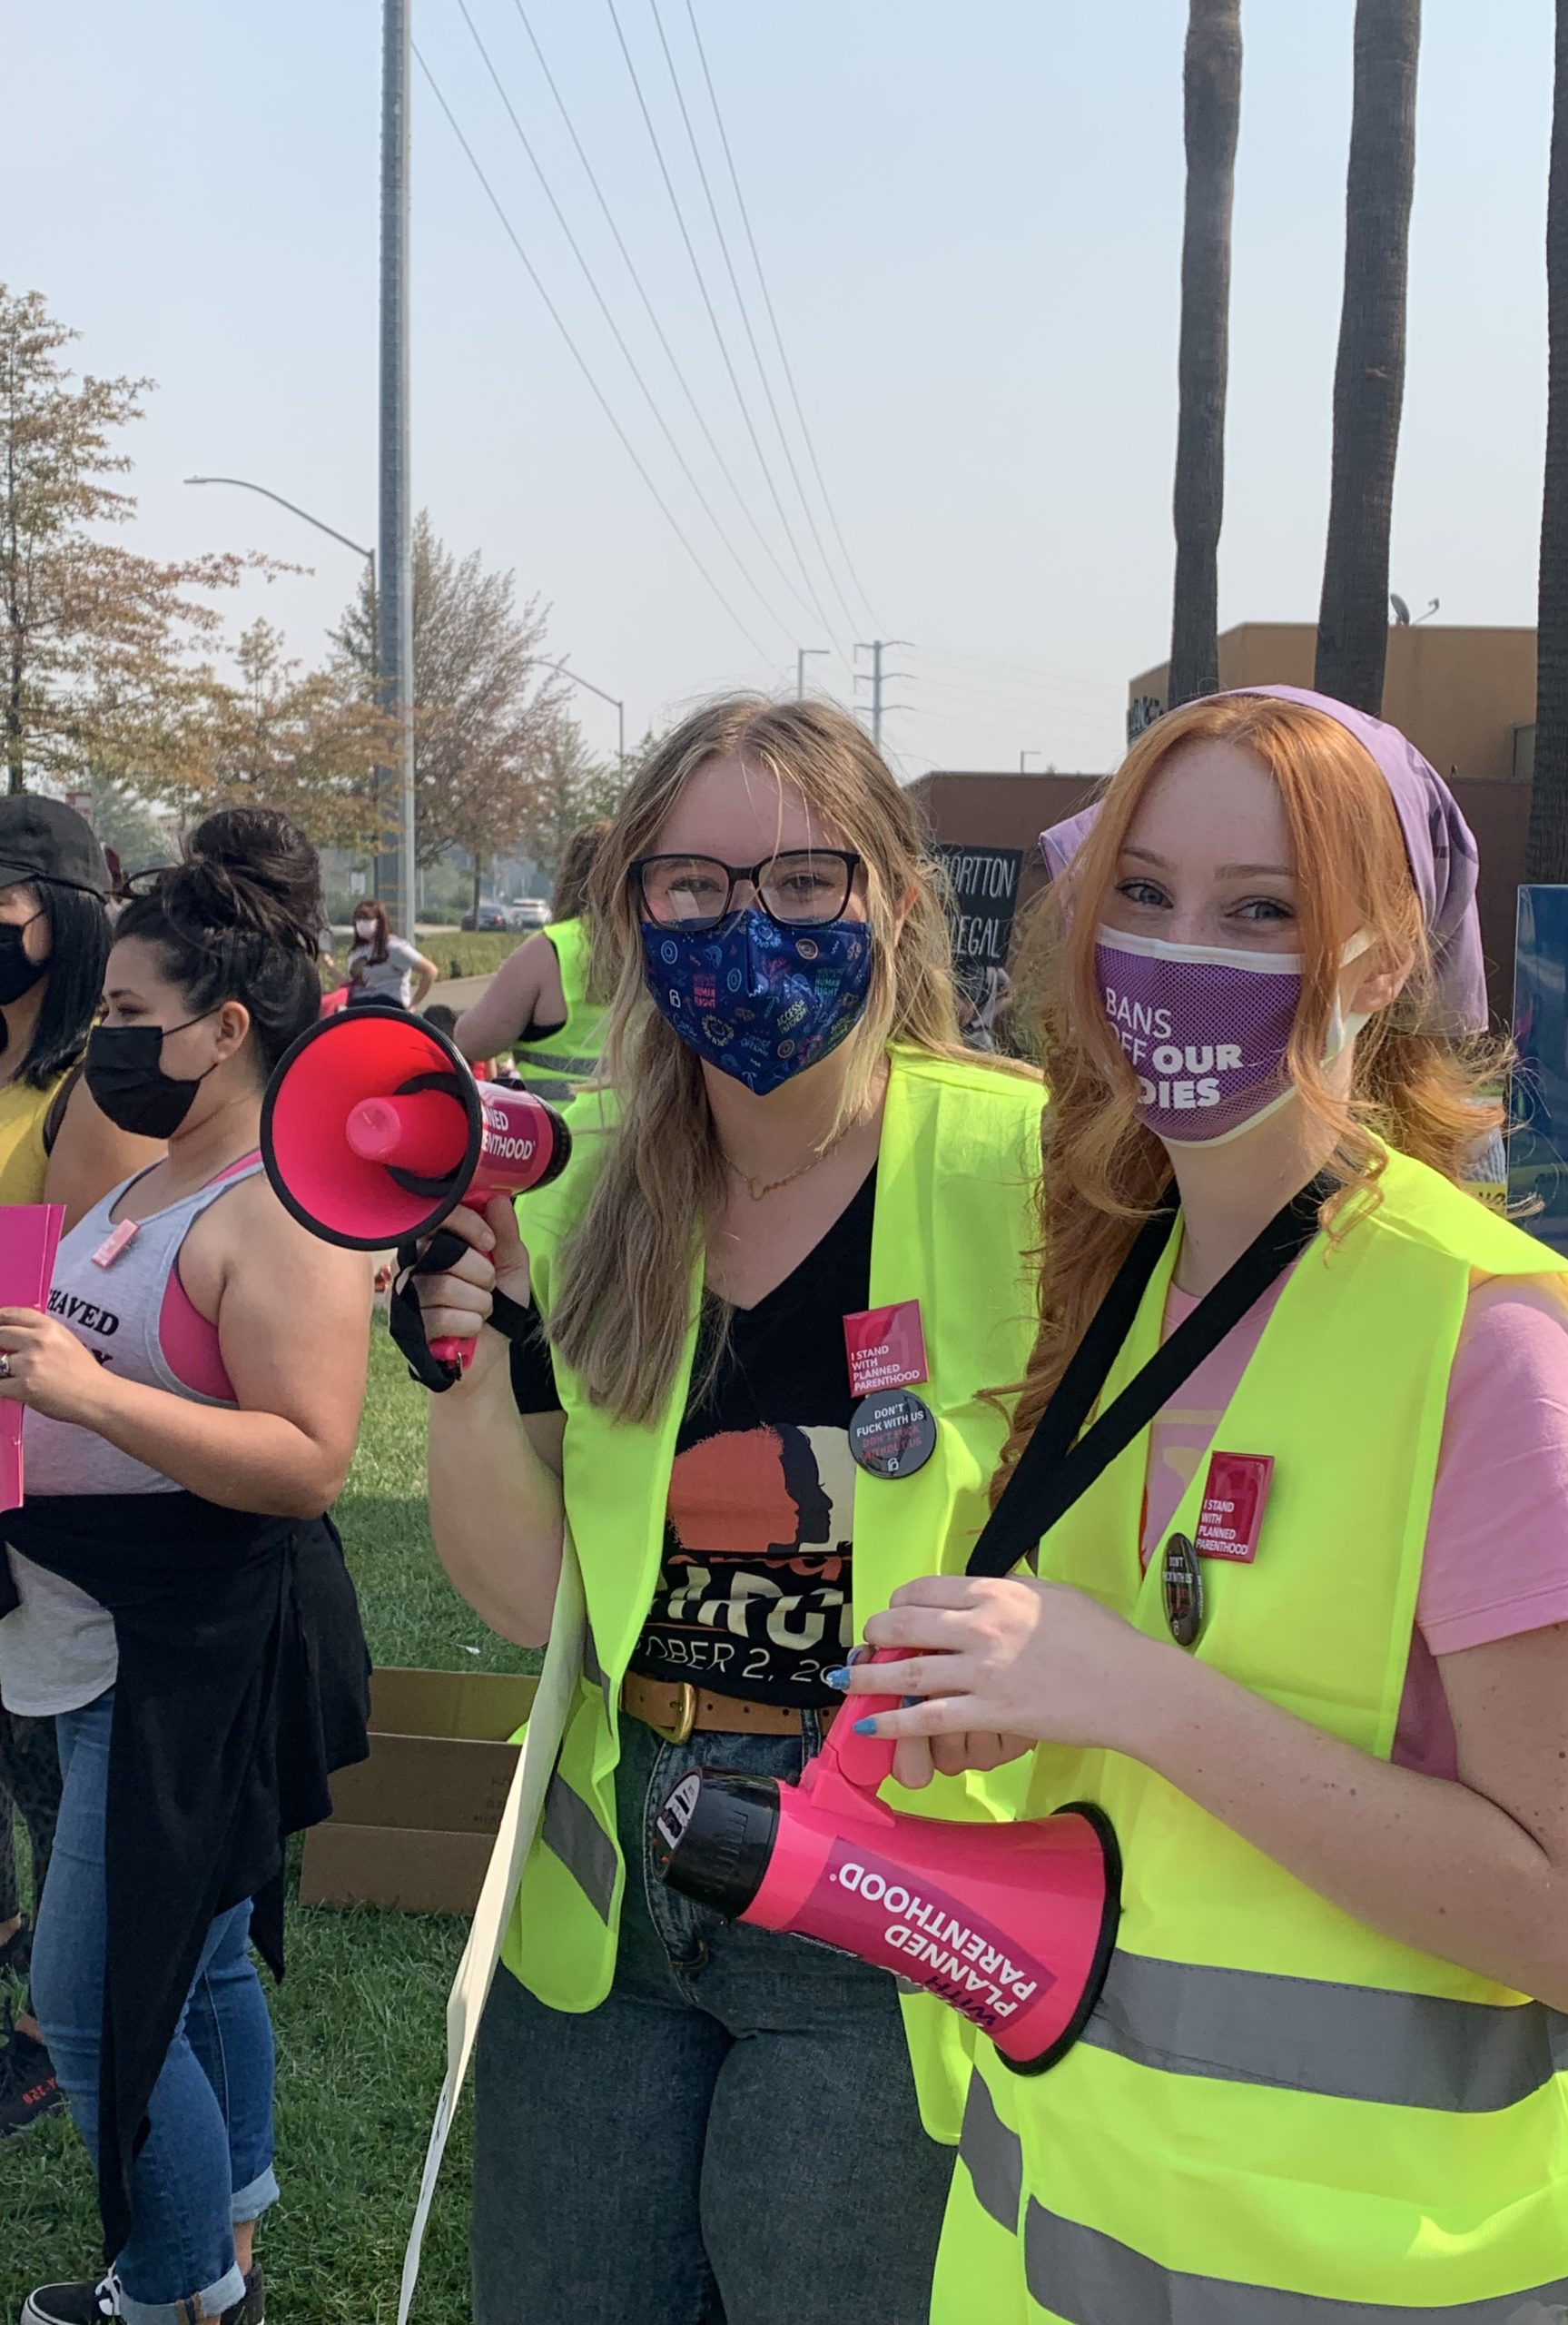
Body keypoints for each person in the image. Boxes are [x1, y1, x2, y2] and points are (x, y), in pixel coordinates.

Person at [840, 686, 1568, 2323]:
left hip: (1371, 2270)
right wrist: (1014, 1705)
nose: (1176, 952)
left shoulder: (1488, 1341)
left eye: (1262, 909)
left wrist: (1132, 1693)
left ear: (1377, 962)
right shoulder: (1124, 1269)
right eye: (1139, 895)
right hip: (1074, 2230)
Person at [413, 698, 1045, 2324]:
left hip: (884, 1887)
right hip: (614, 1894)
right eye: (686, 886)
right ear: (628, 913)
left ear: (896, 903)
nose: (742, 929)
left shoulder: (1037, 1171)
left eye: (802, 881)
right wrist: (466, 1381)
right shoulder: (570, 1179)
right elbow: (522, 1596)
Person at [0, 806, 374, 2325]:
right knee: (203, 1961)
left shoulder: (273, 1212)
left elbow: (310, 1459)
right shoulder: (147, 1176)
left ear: (225, 1032)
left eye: (130, 1020)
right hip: (96, 1644)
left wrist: (82, 1398)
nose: (106, 1043)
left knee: (88, 2010)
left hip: (191, 1667)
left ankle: (177, 2289)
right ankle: (225, 2229)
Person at [0, 797, 161, 2139]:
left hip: (38, 1468)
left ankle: (54, 2027)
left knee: (48, 1747)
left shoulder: (90, 1093)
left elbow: (78, 1294)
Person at [453, 822, 610, 1098]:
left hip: (567, 1134)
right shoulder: (662, 942)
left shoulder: (552, 948)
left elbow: (471, 1041)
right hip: (650, 1136)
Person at [346, 895, 436, 1011]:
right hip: (360, 1006)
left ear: (379, 921)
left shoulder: (394, 947)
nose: (361, 923)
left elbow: (430, 971)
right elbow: (350, 983)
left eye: (367, 919)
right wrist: (328, 963)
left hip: (389, 1005)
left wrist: (413, 1006)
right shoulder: (357, 951)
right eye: (358, 919)